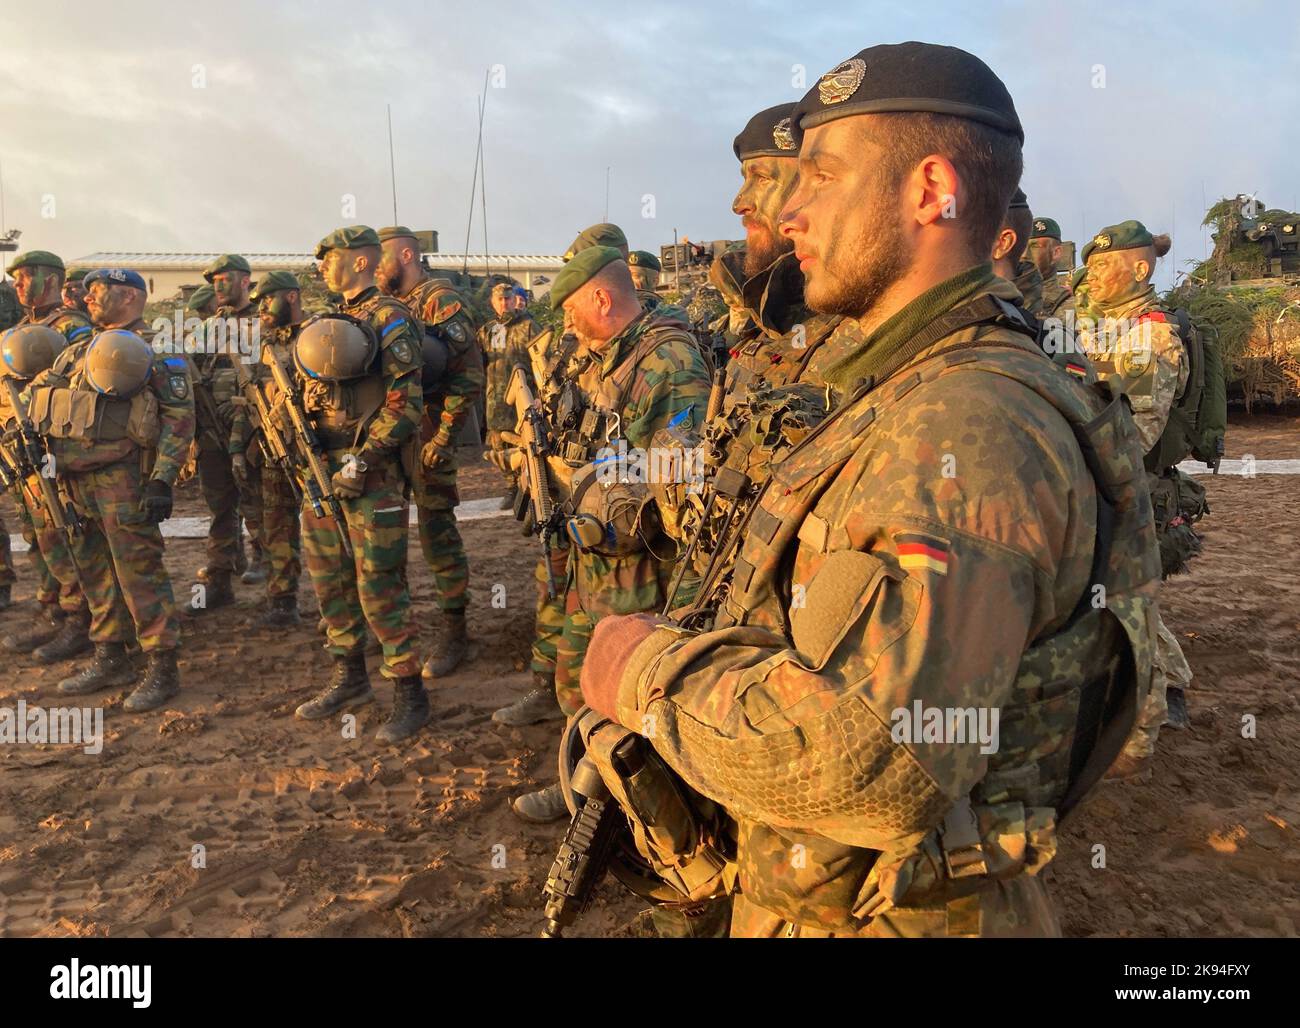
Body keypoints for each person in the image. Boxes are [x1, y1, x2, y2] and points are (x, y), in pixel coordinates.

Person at [579, 42, 1160, 937]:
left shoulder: (965, 421)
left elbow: (871, 761)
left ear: (932, 192)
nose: (791, 208)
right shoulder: (898, 384)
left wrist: (641, 672)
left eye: (819, 174)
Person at [511, 245, 712, 823]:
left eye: (572, 308)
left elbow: (686, 481)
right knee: (578, 679)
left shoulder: (668, 362)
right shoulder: (608, 356)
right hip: (596, 558)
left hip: (643, 570)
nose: (567, 324)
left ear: (602, 297)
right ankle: (585, 790)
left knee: (627, 697)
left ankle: (628, 814)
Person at [27, 268, 194, 711]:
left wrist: (162, 478)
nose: (89, 297)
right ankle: (110, 654)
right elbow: (47, 394)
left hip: (126, 480)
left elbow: (179, 418)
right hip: (75, 480)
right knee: (94, 570)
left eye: (99, 291)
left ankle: (161, 665)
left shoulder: (157, 347)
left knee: (139, 571)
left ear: (130, 296)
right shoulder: (78, 349)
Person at [292, 226, 429, 743]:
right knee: (330, 580)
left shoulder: (390, 319)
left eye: (328, 258)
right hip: (322, 468)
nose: (323, 267)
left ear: (360, 261)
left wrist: (364, 460)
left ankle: (409, 692)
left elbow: (406, 405)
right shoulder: (329, 322)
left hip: (372, 477)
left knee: (380, 586)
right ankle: (349, 678)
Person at [1077, 221, 1195, 775]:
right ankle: (1168, 689)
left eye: (1104, 265)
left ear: (1140, 270)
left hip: (1129, 484)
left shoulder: (1150, 336)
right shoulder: (1108, 329)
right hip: (1109, 482)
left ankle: (1153, 709)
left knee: (1122, 597)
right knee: (1122, 595)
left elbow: (1137, 432)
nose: (1091, 275)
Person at [376, 226, 484, 679]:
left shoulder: (441, 300)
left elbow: (469, 374)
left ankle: (455, 628)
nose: (375, 267)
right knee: (384, 530)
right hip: (389, 432)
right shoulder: (384, 307)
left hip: (427, 432)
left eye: (379, 257)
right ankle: (392, 627)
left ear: (405, 255)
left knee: (436, 529)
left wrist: (443, 437)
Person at [0, 250, 94, 657]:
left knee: (62, 531)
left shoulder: (72, 327)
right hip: (16, 448)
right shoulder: (21, 328)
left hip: (50, 448)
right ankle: (52, 606)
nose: (19, 286)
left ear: (51, 280)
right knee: (37, 533)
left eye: (25, 277)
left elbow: (81, 384)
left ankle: (80, 617)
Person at [722, 102, 841, 394]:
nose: (738, 204)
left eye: (762, 178)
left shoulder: (856, 320)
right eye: (745, 179)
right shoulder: (766, 314)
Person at [227, 270, 306, 627]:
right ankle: (283, 602)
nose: (261, 311)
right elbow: (251, 398)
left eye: (267, 302)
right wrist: (237, 448)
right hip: (271, 449)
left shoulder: (315, 338)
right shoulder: (264, 345)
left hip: (311, 449)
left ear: (290, 297)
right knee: (277, 528)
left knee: (330, 532)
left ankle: (350, 605)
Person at [1025, 217, 1074, 318]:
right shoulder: (1005, 298)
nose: (1025, 255)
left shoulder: (1073, 307)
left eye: (1034, 246)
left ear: (1056, 253)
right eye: (1021, 247)